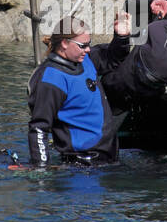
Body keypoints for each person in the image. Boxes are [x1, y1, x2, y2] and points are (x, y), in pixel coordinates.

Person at [26, 15, 129, 167]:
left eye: (89, 44)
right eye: (82, 45)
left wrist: (122, 37)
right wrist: (41, 170)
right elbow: (39, 128)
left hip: (108, 156)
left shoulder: (85, 59)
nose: (87, 50)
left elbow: (112, 58)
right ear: (64, 43)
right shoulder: (51, 78)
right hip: (82, 167)